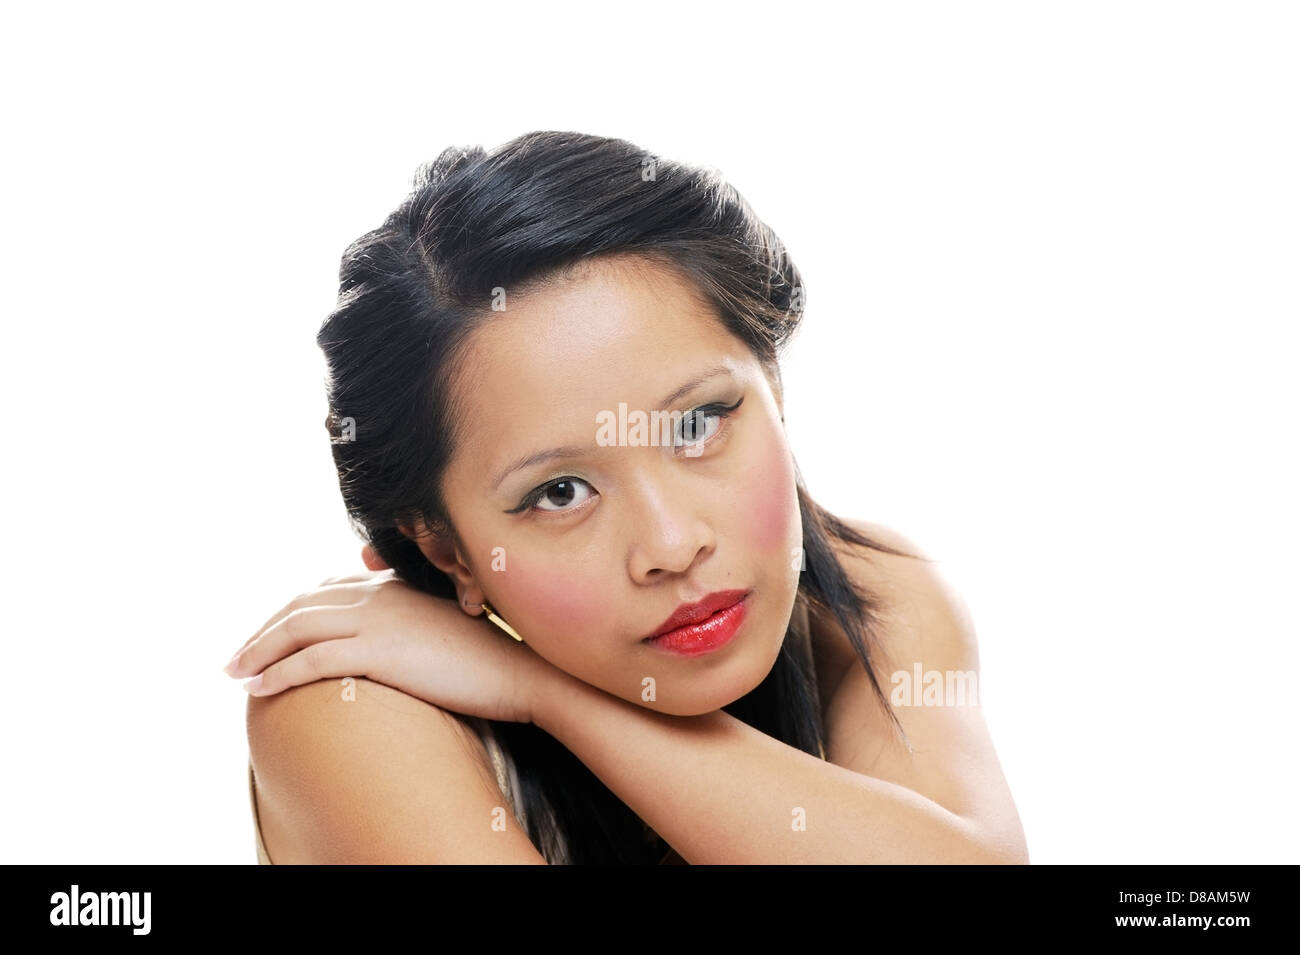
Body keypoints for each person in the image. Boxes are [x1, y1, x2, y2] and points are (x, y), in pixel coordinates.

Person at [225, 131, 1029, 865]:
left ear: (773, 383)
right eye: (559, 491)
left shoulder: (873, 594)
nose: (673, 545)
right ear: (445, 549)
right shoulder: (347, 703)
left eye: (699, 421)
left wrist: (545, 690)